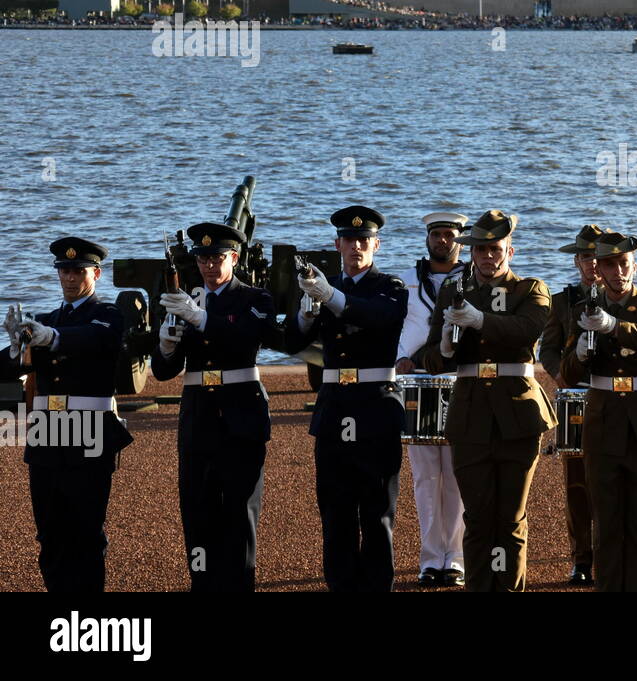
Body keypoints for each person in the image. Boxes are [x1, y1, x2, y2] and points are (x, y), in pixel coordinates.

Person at [282, 205, 408, 592]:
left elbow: (376, 318)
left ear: (376, 245)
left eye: (364, 240)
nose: (357, 246)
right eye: (350, 240)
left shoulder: (391, 287)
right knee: (335, 512)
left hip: (375, 405)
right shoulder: (322, 284)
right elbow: (291, 342)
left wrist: (329, 295)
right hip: (336, 404)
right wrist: (307, 311)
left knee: (376, 512)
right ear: (338, 244)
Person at [430, 209, 555, 592]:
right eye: (480, 249)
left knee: (511, 518)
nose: (487, 256)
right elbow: (431, 359)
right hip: (471, 416)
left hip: (518, 414)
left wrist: (479, 320)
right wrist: (447, 346)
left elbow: (525, 331)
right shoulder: (455, 292)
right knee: (480, 517)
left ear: (510, 251)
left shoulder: (530, 289)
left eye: (495, 249)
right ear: (471, 253)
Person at [150, 222, 280, 591]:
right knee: (197, 515)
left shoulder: (255, 298)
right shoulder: (185, 299)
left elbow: (246, 335)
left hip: (241, 419)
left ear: (234, 258)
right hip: (199, 421)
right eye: (203, 258)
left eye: (217, 258)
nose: (209, 265)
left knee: (239, 515)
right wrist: (166, 346)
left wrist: (200, 317)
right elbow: (162, 372)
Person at [1, 237, 130, 592]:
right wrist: (17, 349)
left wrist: (51, 337)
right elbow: (10, 368)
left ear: (96, 274)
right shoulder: (45, 320)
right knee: (50, 535)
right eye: (64, 271)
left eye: (78, 270)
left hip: (89, 432)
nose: (70, 278)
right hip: (47, 435)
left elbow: (90, 339)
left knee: (86, 534)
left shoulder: (108, 316)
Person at [559, 231, 637, 591]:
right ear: (599, 268)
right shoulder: (582, 309)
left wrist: (613, 326)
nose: (618, 271)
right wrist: (579, 352)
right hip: (603, 419)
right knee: (606, 524)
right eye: (609, 264)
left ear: (633, 265)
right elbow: (568, 374)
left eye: (623, 263)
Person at [395, 211, 469, 588]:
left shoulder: (473, 280)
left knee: (456, 472)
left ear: (460, 238)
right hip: (416, 382)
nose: (443, 240)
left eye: (450, 234)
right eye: (437, 234)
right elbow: (395, 327)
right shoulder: (405, 281)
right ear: (427, 238)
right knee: (425, 476)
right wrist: (398, 361)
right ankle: (429, 559)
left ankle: (454, 559)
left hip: (459, 381)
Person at [538, 223, 607, 586]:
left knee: (613, 480)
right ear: (577, 262)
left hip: (615, 397)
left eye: (599, 257)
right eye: (585, 257)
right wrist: (560, 376)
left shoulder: (624, 297)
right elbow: (546, 349)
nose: (592, 264)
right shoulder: (563, 301)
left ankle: (611, 555)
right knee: (577, 485)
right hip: (576, 397)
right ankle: (581, 558)